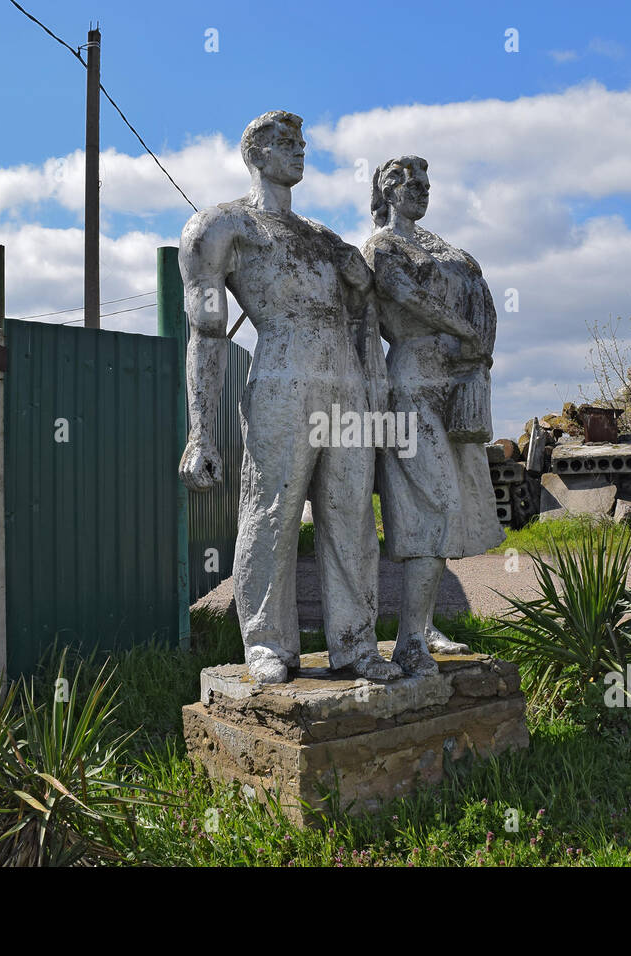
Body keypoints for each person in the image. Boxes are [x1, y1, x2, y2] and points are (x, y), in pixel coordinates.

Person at [178, 111, 401, 684]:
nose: (299, 151)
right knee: (272, 509)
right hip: (281, 373)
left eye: (302, 142)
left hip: (344, 381)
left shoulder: (324, 239)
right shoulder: (221, 227)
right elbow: (204, 332)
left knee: (351, 512)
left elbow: (366, 319)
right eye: (284, 142)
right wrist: (200, 429)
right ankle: (267, 640)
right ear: (254, 153)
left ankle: (354, 640)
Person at [362, 156, 504, 675]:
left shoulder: (449, 249)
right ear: (387, 189)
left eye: (426, 182)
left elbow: (484, 301)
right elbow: (405, 295)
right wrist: (463, 331)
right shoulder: (383, 246)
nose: (421, 190)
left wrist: (478, 350)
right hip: (412, 384)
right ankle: (407, 642)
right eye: (409, 183)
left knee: (454, 507)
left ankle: (418, 627)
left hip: (457, 385)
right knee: (434, 503)